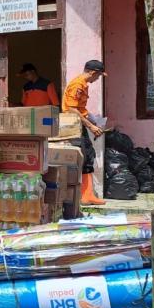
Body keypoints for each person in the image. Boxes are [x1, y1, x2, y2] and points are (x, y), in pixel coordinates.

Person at [63, 59, 107, 205]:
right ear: (93, 72)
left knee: (88, 156)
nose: (98, 79)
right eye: (98, 76)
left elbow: (80, 109)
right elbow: (71, 109)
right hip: (73, 126)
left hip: (79, 124)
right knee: (83, 157)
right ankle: (83, 195)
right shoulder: (78, 84)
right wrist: (91, 126)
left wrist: (94, 122)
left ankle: (88, 195)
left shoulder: (83, 84)